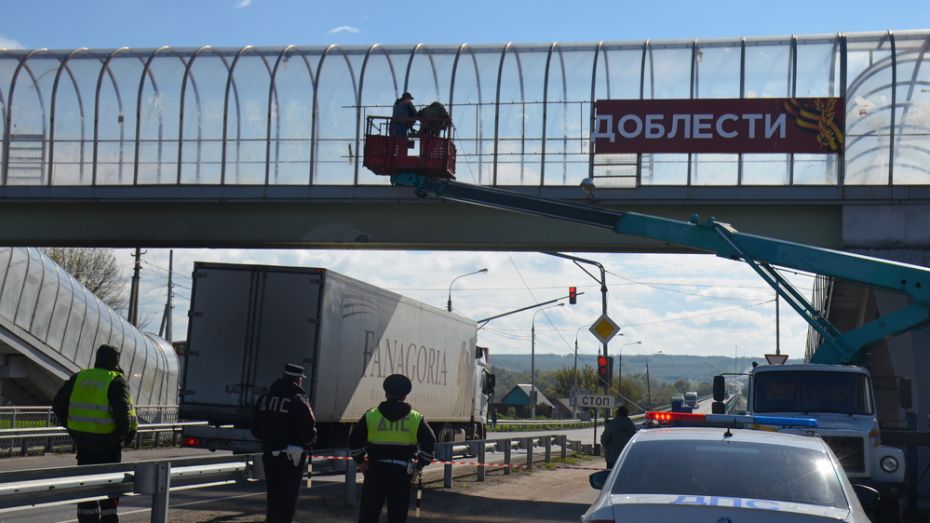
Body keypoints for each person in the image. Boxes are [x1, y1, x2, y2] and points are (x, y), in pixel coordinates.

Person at [52, 344, 138, 523]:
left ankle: (86, 519)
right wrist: (124, 436)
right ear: (115, 361)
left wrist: (73, 428)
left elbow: (58, 405)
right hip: (109, 445)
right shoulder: (116, 380)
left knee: (87, 488)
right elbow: (123, 415)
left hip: (83, 445)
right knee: (109, 488)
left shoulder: (79, 377)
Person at [348, 374, 436, 523]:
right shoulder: (416, 418)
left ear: (386, 393)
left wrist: (360, 461)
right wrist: (419, 465)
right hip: (402, 474)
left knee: (368, 515)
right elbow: (430, 443)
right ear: (405, 395)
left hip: (375, 471)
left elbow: (354, 440)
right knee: (397, 516)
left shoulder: (371, 415)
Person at [251, 363, 317, 523]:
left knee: (273, 497)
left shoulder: (264, 399)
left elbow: (255, 430)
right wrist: (310, 442)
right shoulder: (298, 400)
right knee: (287, 501)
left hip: (269, 454)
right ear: (298, 379)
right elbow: (308, 432)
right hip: (291, 457)